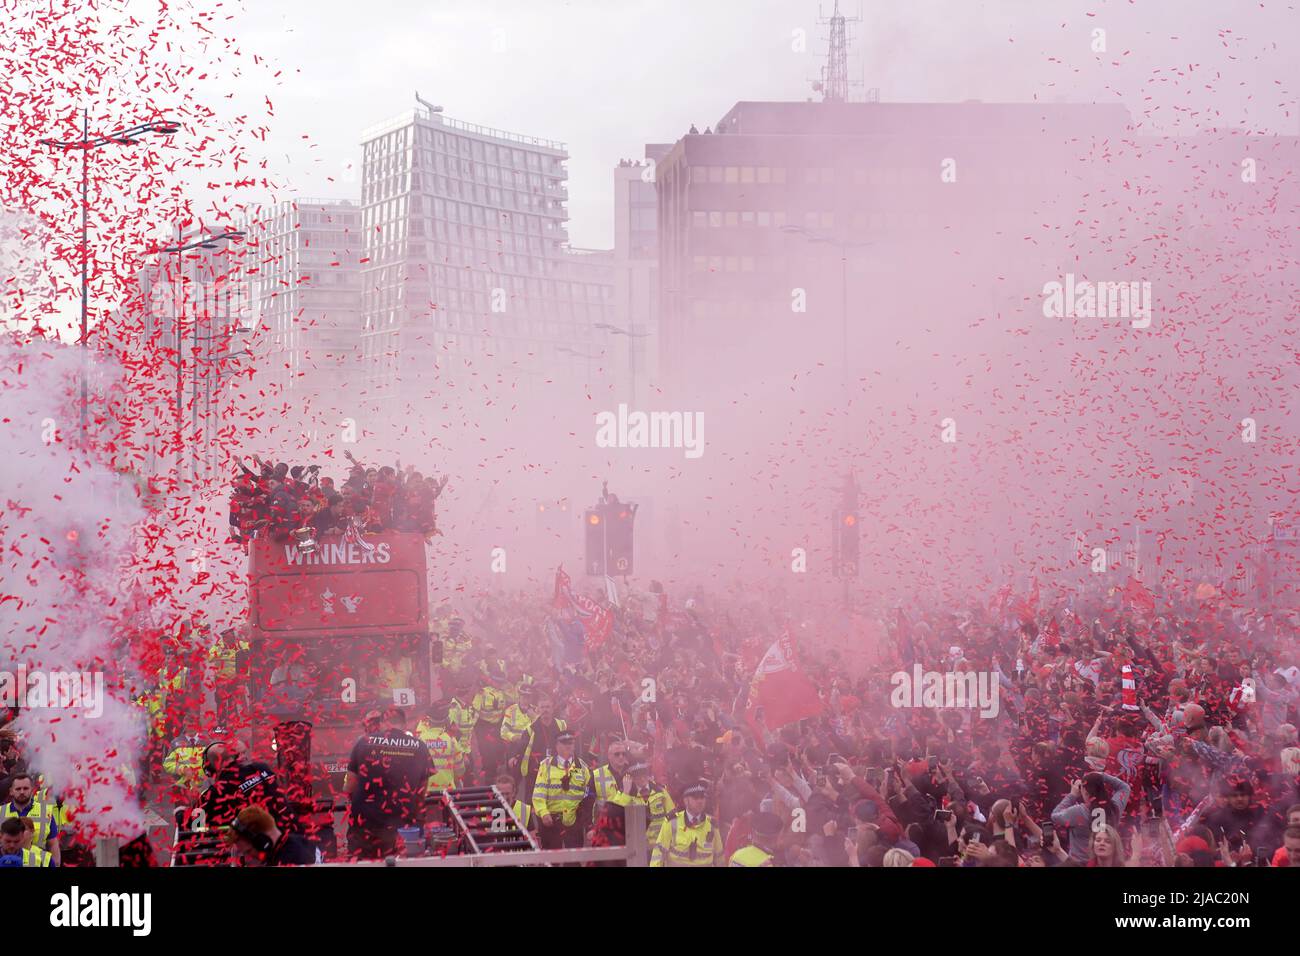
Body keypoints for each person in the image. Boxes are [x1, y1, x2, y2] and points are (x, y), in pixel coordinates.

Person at [344, 709, 431, 859]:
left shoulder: (364, 742)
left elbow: (349, 786)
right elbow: (421, 793)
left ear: (384, 723)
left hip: (365, 826)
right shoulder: (420, 747)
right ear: (404, 724)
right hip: (404, 829)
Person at [198, 739, 288, 829]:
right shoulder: (262, 768)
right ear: (235, 757)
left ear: (209, 768)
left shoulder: (214, 793)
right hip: (291, 834)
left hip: (258, 841)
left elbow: (193, 825)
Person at [1051, 772, 1131, 864]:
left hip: (1079, 864)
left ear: (1084, 791)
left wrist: (1072, 795)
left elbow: (1055, 815)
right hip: (1105, 863)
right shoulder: (1114, 809)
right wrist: (1101, 776)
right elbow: (1124, 787)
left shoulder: (1077, 812)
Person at [531, 732, 592, 850]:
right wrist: (543, 813)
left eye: (570, 743)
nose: (568, 746)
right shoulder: (545, 765)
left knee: (574, 861)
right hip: (551, 821)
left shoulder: (583, 767)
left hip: (575, 823)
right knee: (552, 860)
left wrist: (586, 819)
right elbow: (539, 792)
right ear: (556, 746)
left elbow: (588, 796)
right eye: (564, 743)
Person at [650, 781, 724, 867]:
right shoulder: (672, 822)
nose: (700, 801)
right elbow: (658, 853)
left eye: (702, 797)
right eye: (695, 798)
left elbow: (719, 858)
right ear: (686, 801)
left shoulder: (712, 825)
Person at [225, 805, 321, 867]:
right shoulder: (296, 842)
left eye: (249, 851)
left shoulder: (288, 861)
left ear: (262, 841)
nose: (247, 858)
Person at [0, 772, 59, 865]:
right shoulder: (0, 811)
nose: (22, 792)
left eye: (25, 788)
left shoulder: (46, 811)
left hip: (38, 863)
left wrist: (56, 863)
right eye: (18, 789)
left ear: (32, 790)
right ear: (11, 791)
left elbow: (53, 843)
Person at [415, 700, 463, 793]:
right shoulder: (451, 740)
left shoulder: (420, 740)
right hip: (447, 791)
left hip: (426, 790)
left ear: (429, 721)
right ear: (446, 721)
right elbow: (460, 769)